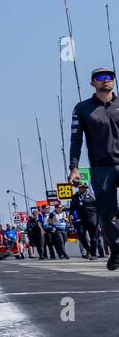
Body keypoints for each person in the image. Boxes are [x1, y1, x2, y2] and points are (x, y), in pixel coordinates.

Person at [68, 65, 119, 270]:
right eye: (100, 77)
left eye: (109, 76)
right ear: (92, 83)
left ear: (114, 81)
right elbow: (76, 140)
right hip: (101, 168)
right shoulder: (82, 108)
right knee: (107, 214)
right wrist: (74, 168)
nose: (105, 80)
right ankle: (116, 250)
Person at [69, 180, 99, 259]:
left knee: (93, 236)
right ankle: (88, 250)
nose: (81, 189)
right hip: (81, 218)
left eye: (83, 187)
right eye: (80, 188)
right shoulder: (75, 197)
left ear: (86, 188)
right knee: (81, 235)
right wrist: (70, 214)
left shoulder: (92, 195)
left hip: (92, 217)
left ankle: (93, 254)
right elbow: (72, 207)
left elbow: (98, 205)